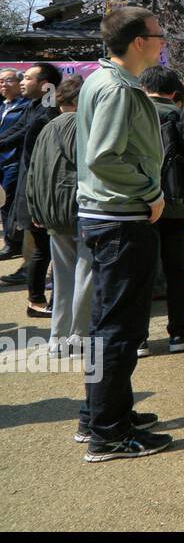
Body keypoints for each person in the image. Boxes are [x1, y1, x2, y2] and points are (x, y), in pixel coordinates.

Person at [75, 6, 172, 462]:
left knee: (106, 325)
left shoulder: (102, 80)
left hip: (106, 216)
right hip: (121, 218)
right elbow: (103, 157)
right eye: (158, 34)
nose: (162, 41)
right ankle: (109, 432)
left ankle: (99, 414)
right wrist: (151, 191)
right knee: (119, 330)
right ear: (138, 42)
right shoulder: (118, 88)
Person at [27, 76, 94, 355]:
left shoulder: (47, 127)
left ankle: (58, 337)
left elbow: (33, 170)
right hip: (82, 208)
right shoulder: (84, 125)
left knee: (63, 276)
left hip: (52, 211)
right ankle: (78, 335)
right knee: (85, 273)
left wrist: (35, 207)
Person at [142, 66, 184, 355]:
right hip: (178, 203)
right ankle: (178, 333)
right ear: (175, 92)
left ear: (145, 88)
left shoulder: (137, 114)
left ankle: (139, 338)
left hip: (142, 203)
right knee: (176, 268)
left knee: (141, 270)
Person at [0, 64, 63, 312]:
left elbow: (22, 132)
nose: (21, 81)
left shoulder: (48, 110)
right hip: (33, 187)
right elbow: (17, 130)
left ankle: (38, 300)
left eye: (27, 78)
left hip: (41, 188)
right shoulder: (36, 106)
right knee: (42, 249)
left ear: (45, 84)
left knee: (45, 249)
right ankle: (37, 300)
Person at [0, 67, 29, 260]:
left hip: (14, 160)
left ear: (20, 83)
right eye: (1, 81)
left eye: (8, 80)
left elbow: (20, 132)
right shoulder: (2, 106)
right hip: (1, 159)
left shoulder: (26, 106)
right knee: (2, 201)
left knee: (9, 202)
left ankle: (13, 243)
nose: (3, 84)